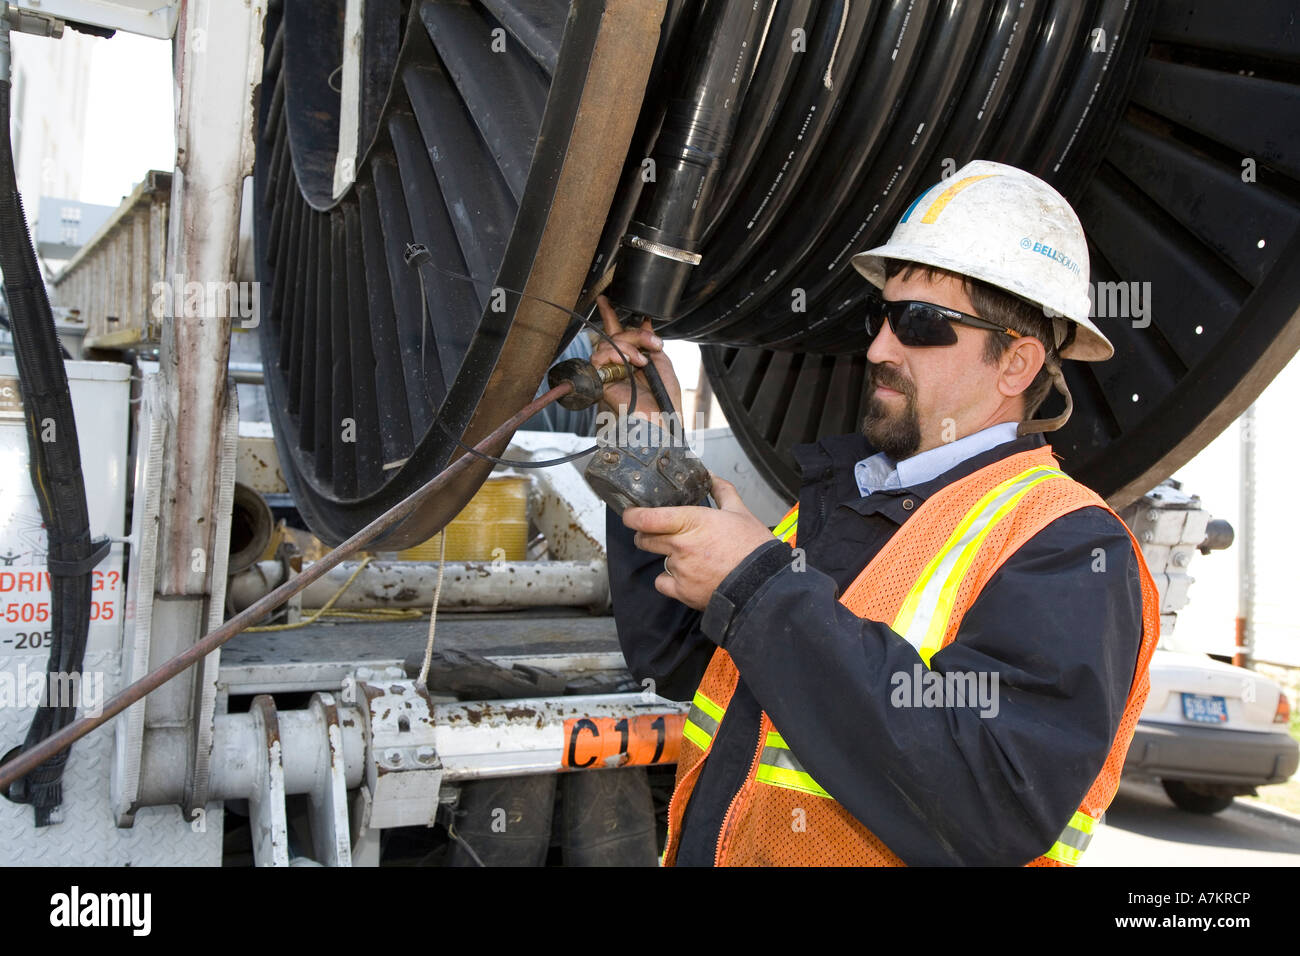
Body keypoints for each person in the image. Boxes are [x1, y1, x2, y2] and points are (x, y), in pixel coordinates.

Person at [593, 159, 1160, 867]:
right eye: (882, 315)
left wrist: (758, 588)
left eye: (920, 323)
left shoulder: (1067, 545)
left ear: (1015, 365)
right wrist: (644, 437)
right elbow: (681, 661)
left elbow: (992, 797)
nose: (878, 348)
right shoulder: (853, 499)